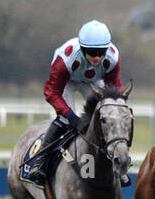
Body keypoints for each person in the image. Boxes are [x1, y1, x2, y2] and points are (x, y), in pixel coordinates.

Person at [22, 20, 124, 186]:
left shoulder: (113, 57)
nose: (97, 57)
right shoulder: (65, 60)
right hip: (67, 82)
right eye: (92, 52)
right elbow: (52, 92)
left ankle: (115, 163)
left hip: (93, 82)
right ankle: (40, 161)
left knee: (106, 118)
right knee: (66, 122)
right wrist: (71, 116)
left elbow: (114, 88)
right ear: (83, 49)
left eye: (101, 52)